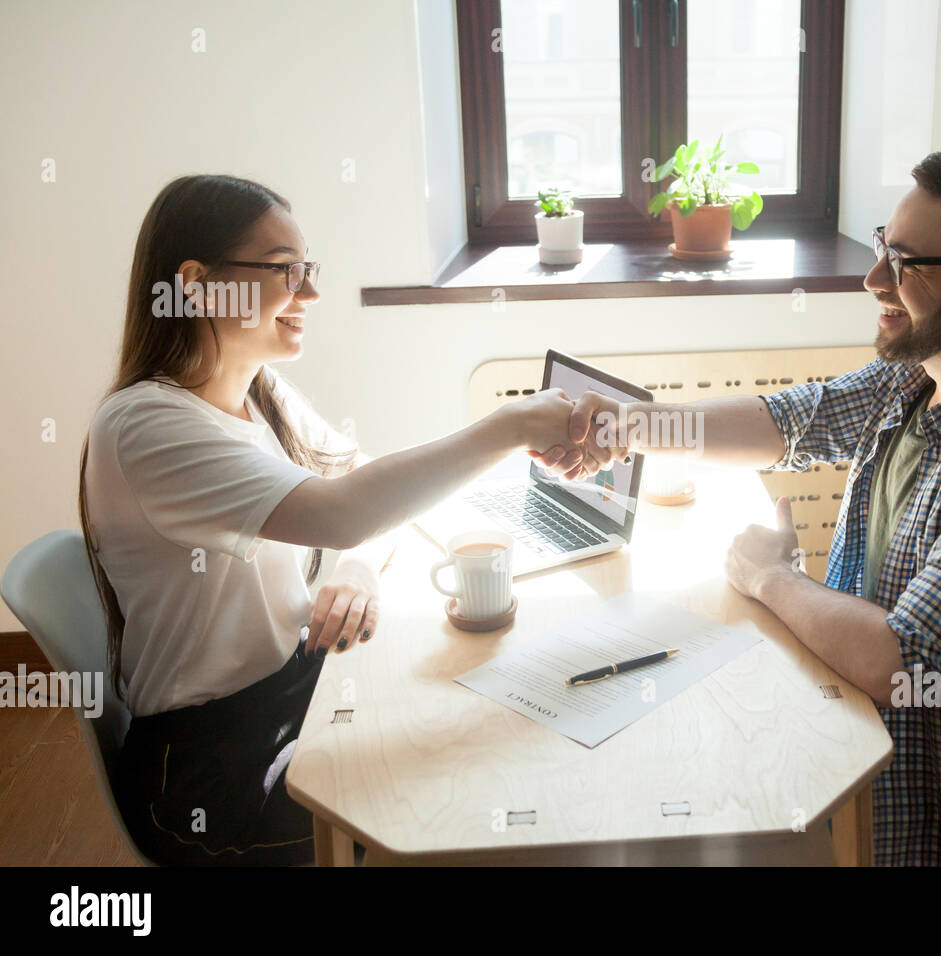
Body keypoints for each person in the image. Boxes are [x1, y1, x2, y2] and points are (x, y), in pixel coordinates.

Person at [563, 144, 941, 866]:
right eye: (883, 245)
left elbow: (903, 662)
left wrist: (770, 576)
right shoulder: (923, 373)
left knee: (647, 813)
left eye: (907, 264)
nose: (872, 278)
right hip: (858, 732)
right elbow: (790, 422)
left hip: (929, 816)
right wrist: (630, 427)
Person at [79, 174, 583, 865]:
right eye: (287, 270)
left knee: (479, 718)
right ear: (196, 283)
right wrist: (507, 426)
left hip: (291, 689)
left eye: (307, 268)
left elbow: (359, 487)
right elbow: (347, 511)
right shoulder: (147, 427)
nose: (309, 292)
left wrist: (354, 567)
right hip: (210, 769)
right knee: (450, 793)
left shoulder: (256, 389)